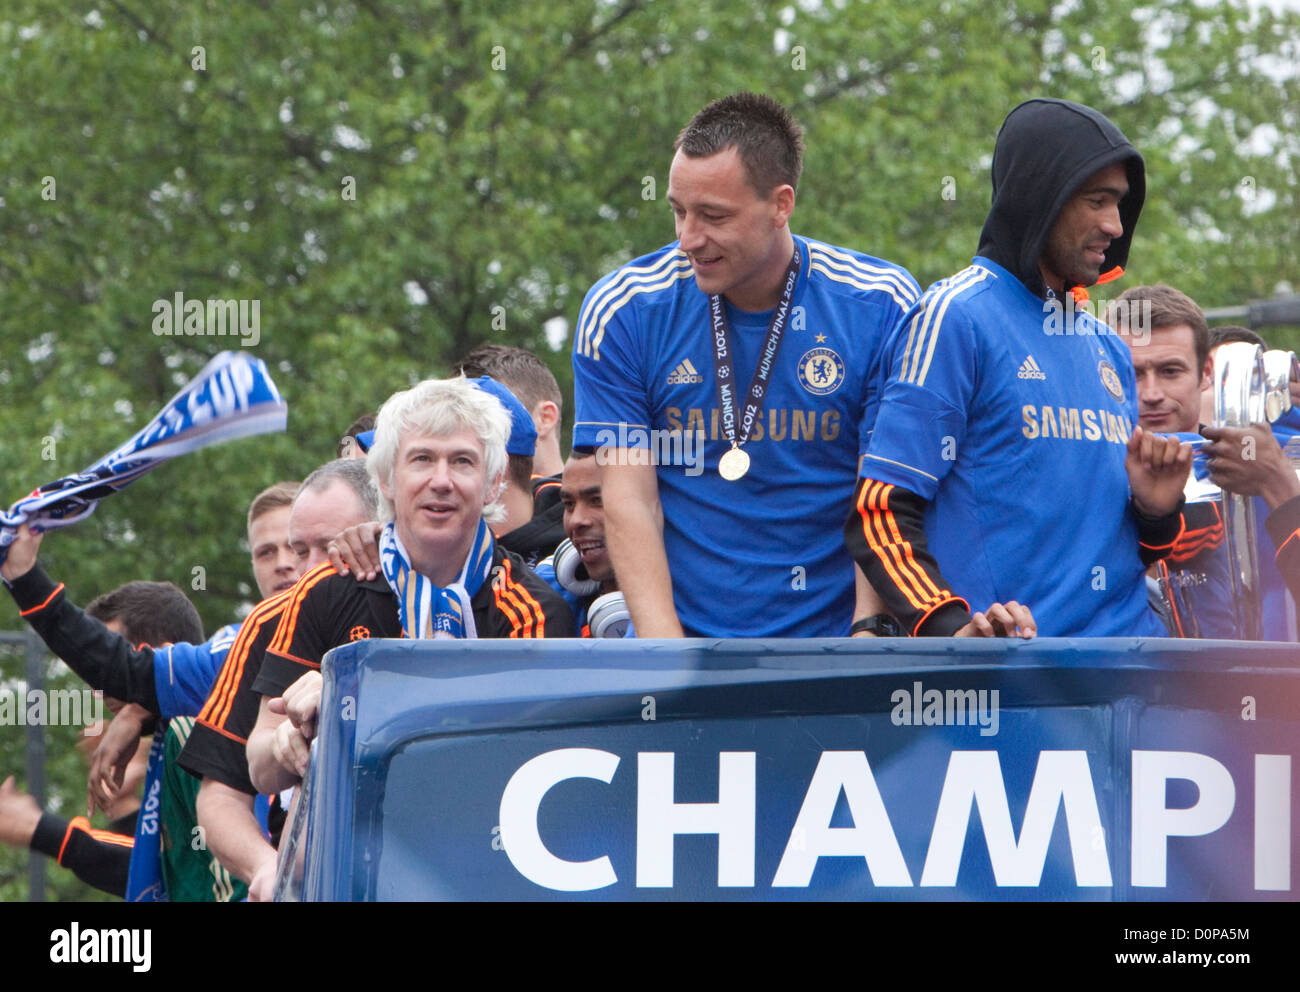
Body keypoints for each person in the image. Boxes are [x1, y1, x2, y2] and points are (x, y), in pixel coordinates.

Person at [572, 92, 920, 638]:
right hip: (687, 645)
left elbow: (879, 486)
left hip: (837, 645)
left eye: (713, 216)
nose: (688, 239)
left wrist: (868, 631)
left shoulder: (880, 302)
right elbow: (629, 498)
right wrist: (667, 659)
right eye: (678, 211)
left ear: (781, 205)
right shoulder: (625, 309)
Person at [850, 98, 1191, 637]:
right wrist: (947, 624)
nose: (1114, 224)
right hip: (1020, 686)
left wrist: (1154, 511)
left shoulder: (1108, 346)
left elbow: (1125, 551)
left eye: (1120, 203)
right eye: (1097, 200)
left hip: (1136, 673)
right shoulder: (956, 317)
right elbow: (881, 511)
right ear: (1040, 197)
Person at [247, 377, 574, 795]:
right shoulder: (325, 590)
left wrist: (346, 693)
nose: (441, 480)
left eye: (462, 462)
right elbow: (259, 768)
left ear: (493, 484)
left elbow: (517, 757)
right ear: (385, 479)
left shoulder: (533, 610)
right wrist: (286, 743)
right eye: (421, 459)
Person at [178, 459, 377, 901]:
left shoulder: (424, 592)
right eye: (298, 549)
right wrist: (268, 868)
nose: (306, 568)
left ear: (377, 532)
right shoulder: (269, 621)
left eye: (331, 547)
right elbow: (220, 793)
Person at [534, 451, 620, 635]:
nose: (576, 521)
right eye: (569, 504)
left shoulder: (693, 600)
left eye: (597, 500)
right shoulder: (544, 590)